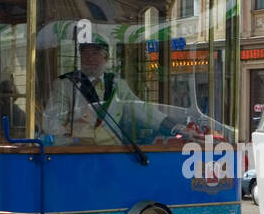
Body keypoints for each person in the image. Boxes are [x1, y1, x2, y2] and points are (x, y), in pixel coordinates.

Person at [43, 39, 172, 145]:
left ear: (106, 58)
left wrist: (174, 127)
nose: (90, 58)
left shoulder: (118, 85)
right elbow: (52, 120)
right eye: (85, 53)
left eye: (95, 53)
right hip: (79, 152)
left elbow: (142, 110)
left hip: (112, 152)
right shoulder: (66, 84)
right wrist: (69, 140)